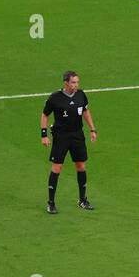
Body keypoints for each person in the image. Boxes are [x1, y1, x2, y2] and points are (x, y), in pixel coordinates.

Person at [41, 71, 96, 214]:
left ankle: (82, 200)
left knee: (81, 166)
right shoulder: (55, 98)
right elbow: (45, 115)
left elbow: (85, 111)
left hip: (77, 135)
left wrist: (92, 129)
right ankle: (51, 203)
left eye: (77, 82)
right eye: (73, 82)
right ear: (66, 83)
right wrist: (44, 134)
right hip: (61, 137)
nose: (76, 85)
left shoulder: (81, 95)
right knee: (57, 168)